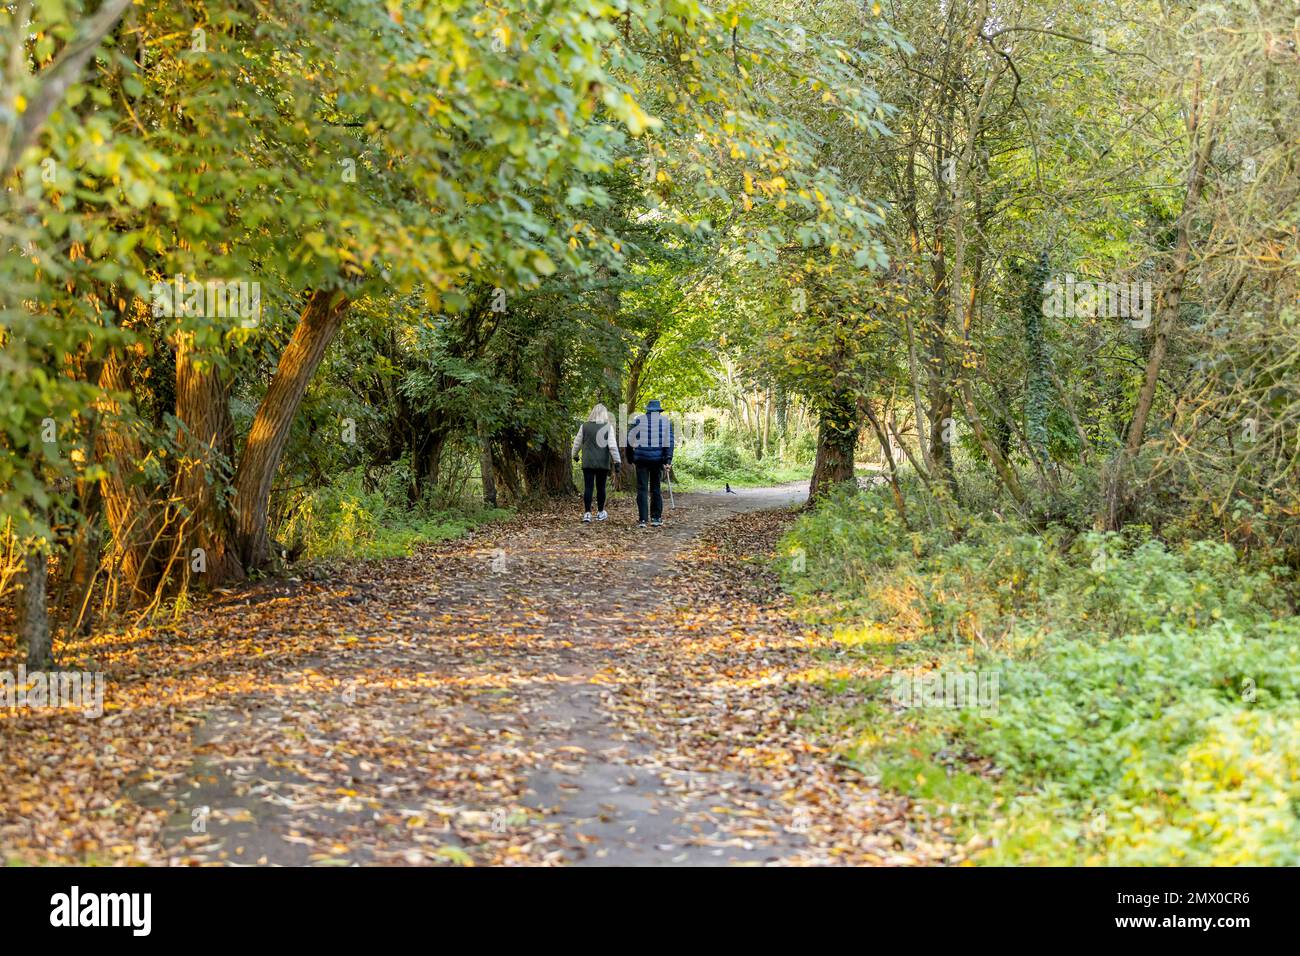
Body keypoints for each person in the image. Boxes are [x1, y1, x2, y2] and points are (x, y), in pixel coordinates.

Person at [626, 398, 675, 528]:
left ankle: (642, 520)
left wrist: (630, 458)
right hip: (657, 460)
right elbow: (669, 443)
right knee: (655, 489)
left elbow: (629, 441)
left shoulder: (638, 420)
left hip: (641, 459)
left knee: (642, 489)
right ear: (658, 410)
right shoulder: (665, 422)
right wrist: (668, 459)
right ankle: (656, 518)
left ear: (647, 410)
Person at [571, 403, 620, 523]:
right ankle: (600, 512)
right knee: (601, 487)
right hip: (602, 463)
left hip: (588, 462)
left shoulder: (584, 426)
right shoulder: (607, 427)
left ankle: (587, 513)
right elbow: (612, 446)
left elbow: (577, 443)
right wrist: (617, 461)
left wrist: (575, 455)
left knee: (588, 487)